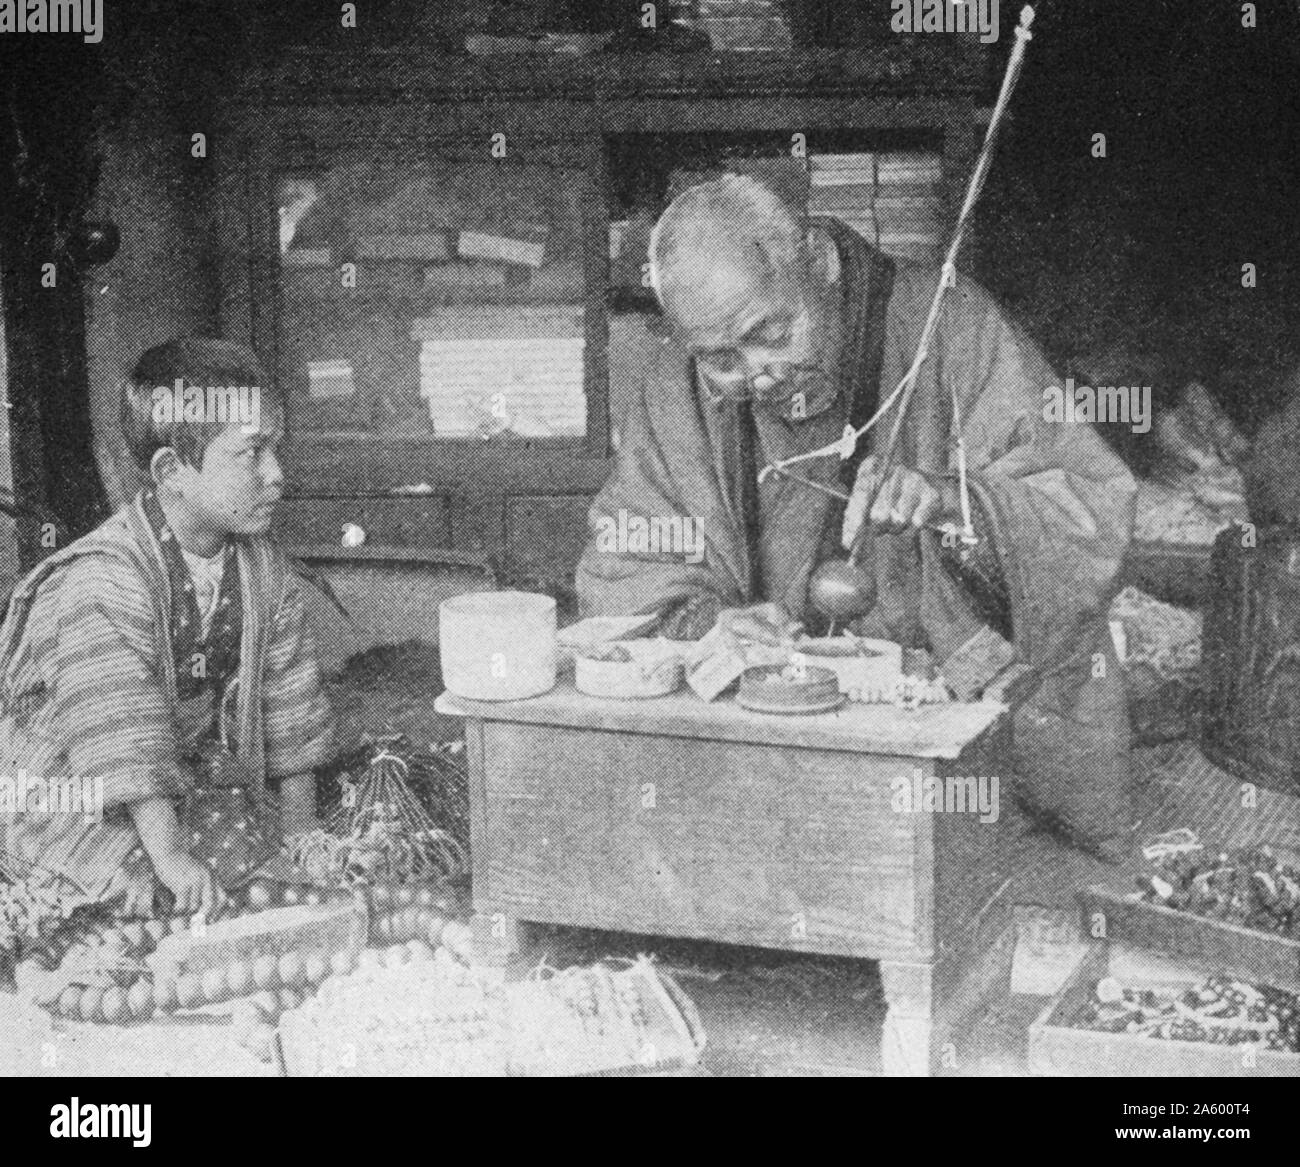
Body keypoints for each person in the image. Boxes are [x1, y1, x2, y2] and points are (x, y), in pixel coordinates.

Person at [577, 175, 1138, 852]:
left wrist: (956, 504)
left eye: (772, 333)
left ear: (820, 263)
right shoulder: (678, 386)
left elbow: (1088, 508)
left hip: (946, 732)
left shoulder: (951, 326)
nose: (758, 375)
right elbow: (626, 556)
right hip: (766, 729)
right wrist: (707, 622)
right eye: (721, 359)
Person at [0, 339, 335, 916]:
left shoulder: (264, 573)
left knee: (256, 858)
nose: (276, 475)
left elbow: (290, 711)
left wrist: (301, 838)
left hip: (168, 764)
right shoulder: (103, 581)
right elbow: (120, 730)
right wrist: (172, 857)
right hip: (67, 773)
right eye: (251, 454)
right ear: (170, 470)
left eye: (275, 450)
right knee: (133, 889)